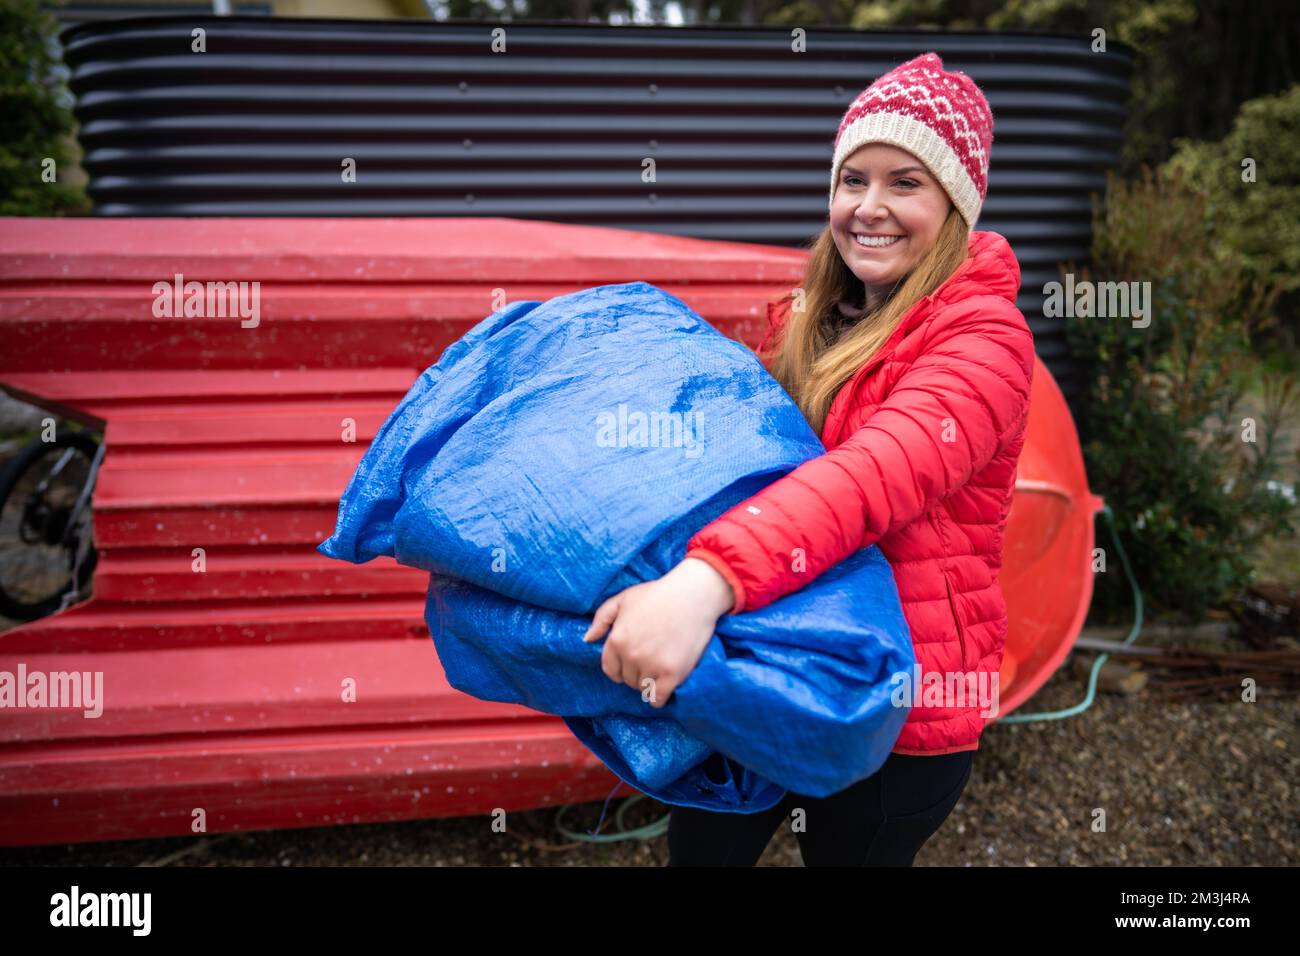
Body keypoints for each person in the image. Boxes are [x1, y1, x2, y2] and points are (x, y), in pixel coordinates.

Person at [582, 52, 1035, 866]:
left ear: (957, 203)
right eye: (851, 179)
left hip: (896, 713)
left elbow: (872, 474)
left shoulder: (985, 342)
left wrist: (703, 580)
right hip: (773, 663)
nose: (869, 207)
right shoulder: (812, 318)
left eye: (906, 183)